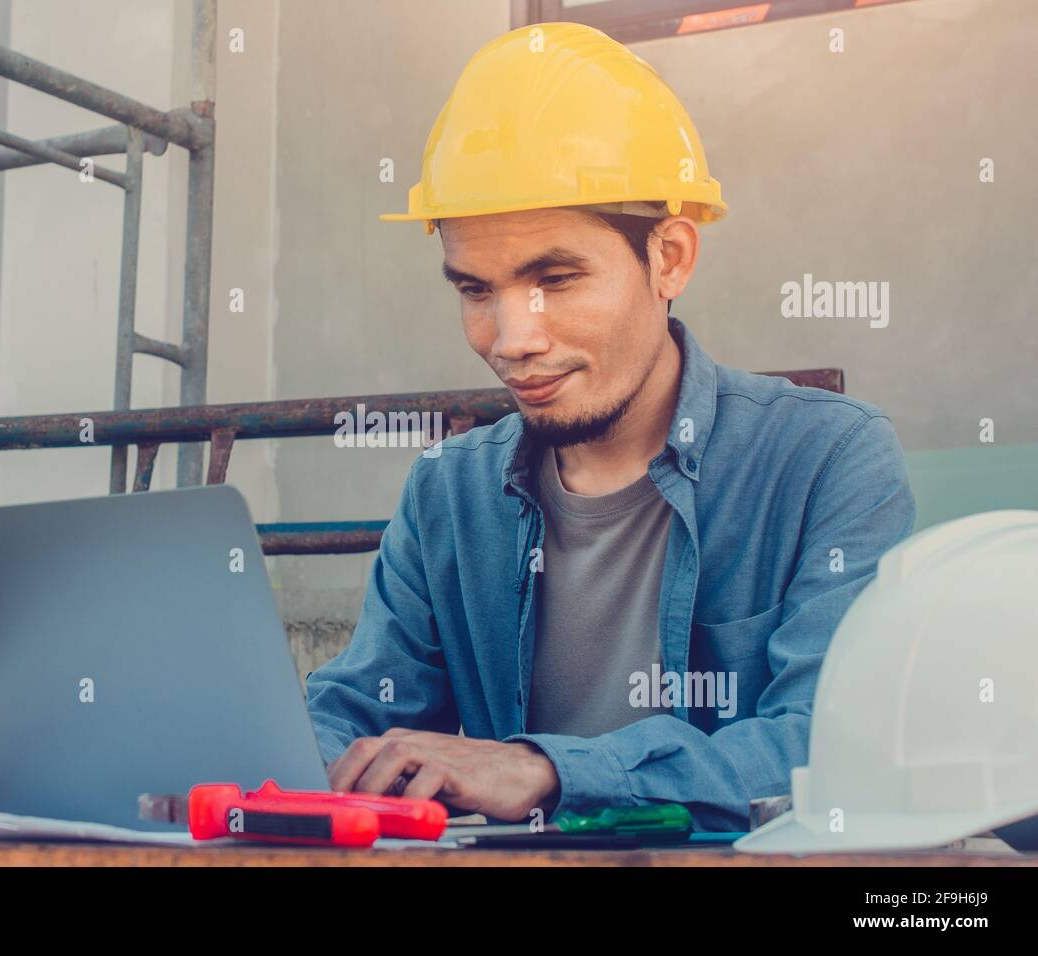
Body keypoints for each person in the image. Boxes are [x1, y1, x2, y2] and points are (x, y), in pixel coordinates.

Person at [305, 22, 915, 830]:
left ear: (671, 259)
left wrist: (548, 771)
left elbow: (828, 745)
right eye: (475, 291)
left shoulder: (828, 459)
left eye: (555, 279)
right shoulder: (446, 494)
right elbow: (350, 717)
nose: (512, 338)